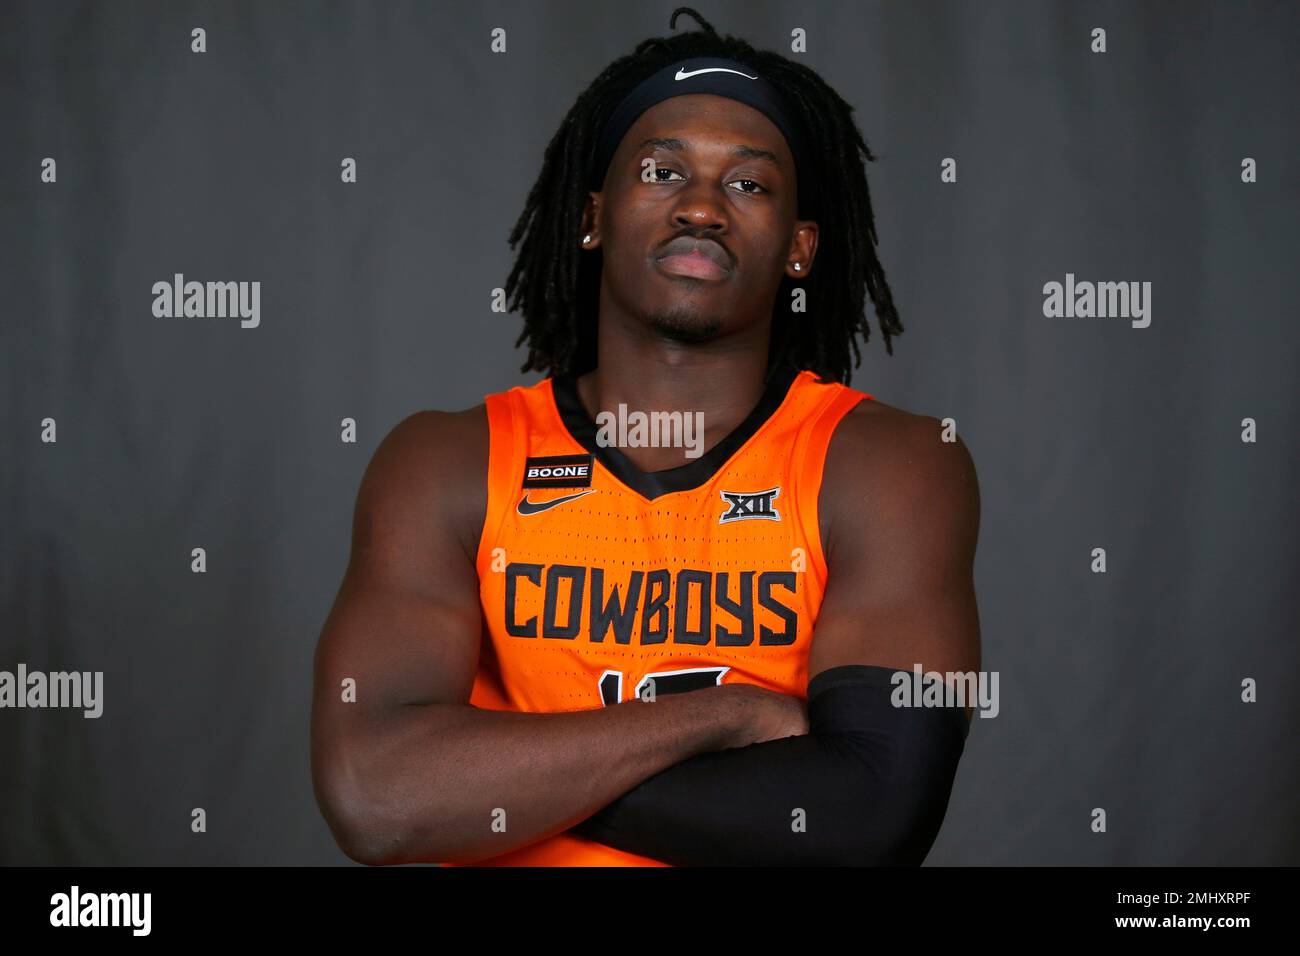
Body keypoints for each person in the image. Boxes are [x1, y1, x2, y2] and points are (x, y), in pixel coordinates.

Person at [311, 6, 980, 866]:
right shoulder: (449, 465)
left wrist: (489, 776)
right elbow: (374, 798)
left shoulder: (887, 467)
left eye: (749, 183)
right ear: (592, 216)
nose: (701, 206)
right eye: (662, 171)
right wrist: (724, 716)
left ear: (800, 248)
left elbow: (867, 819)